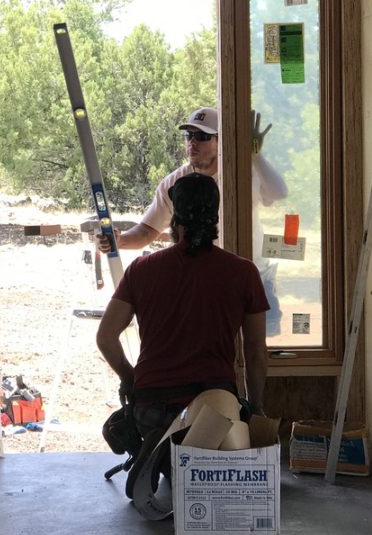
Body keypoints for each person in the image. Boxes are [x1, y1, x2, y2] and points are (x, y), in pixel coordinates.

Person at [95, 172, 269, 445]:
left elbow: (105, 337)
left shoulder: (142, 269)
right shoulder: (243, 273)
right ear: (215, 216)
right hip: (215, 411)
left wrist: (131, 380)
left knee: (173, 452)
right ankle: (182, 450)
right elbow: (256, 352)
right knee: (217, 445)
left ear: (174, 218)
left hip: (151, 409)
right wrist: (256, 409)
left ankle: (161, 451)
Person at [98, 106, 288, 334]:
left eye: (202, 136)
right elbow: (148, 231)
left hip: (252, 277)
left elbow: (279, 193)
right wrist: (119, 241)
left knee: (260, 344)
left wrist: (254, 156)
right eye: (189, 136)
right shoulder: (175, 182)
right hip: (202, 284)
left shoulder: (245, 172)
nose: (192, 143)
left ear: (221, 141)